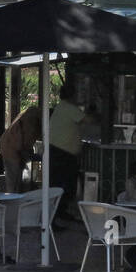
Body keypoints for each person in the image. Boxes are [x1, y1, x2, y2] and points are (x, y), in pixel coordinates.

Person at [49, 81, 86, 228]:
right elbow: (86, 120)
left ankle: (61, 212)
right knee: (63, 185)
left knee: (63, 185)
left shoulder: (60, 107)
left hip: (59, 152)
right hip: (62, 154)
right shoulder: (69, 108)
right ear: (72, 95)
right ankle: (54, 217)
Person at [0, 105, 41, 193]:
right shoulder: (31, 121)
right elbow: (28, 139)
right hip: (12, 149)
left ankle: (15, 194)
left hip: (10, 146)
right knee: (14, 179)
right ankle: (13, 199)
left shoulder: (26, 115)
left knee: (17, 177)